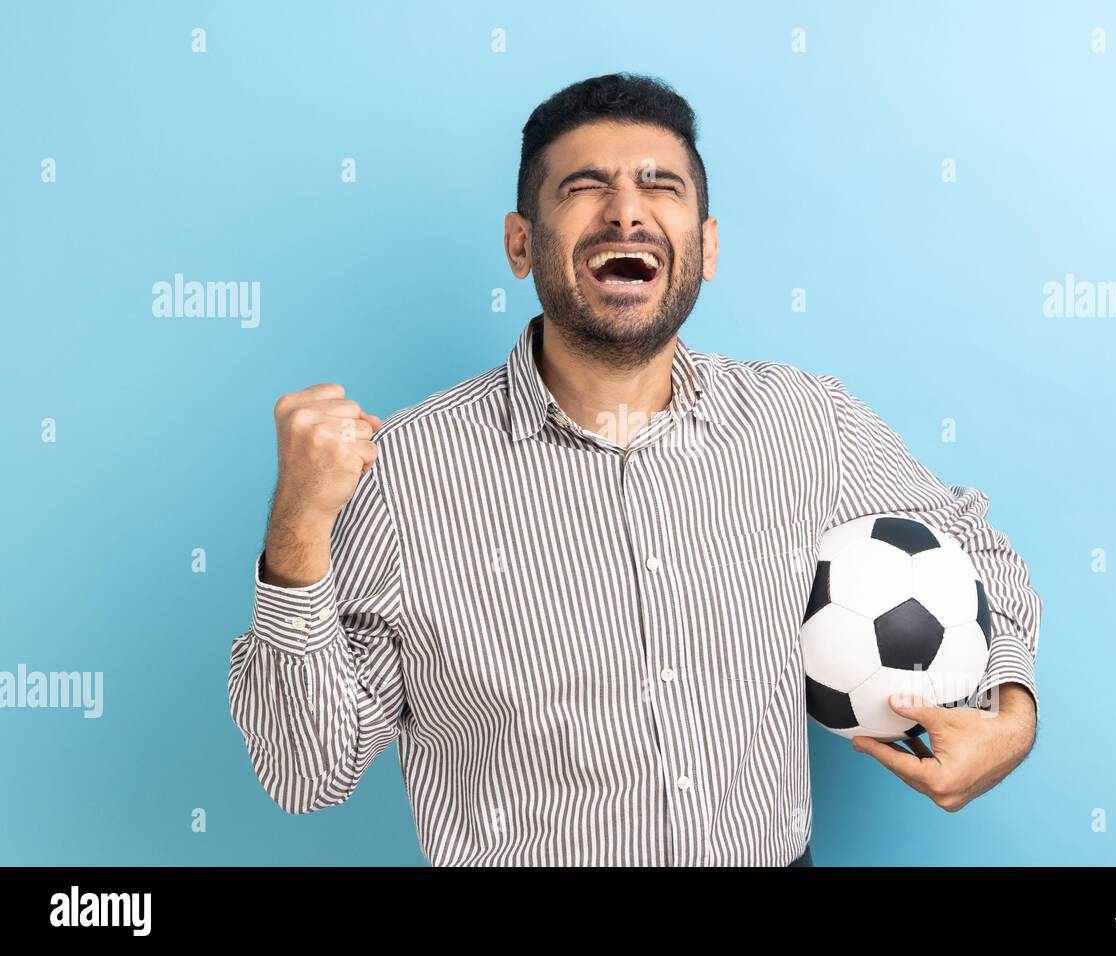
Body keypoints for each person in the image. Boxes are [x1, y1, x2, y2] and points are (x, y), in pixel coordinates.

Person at [228, 73, 1043, 867]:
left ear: (706, 246)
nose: (627, 210)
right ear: (521, 244)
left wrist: (1011, 715)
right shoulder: (402, 472)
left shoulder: (806, 423)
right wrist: (297, 529)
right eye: (585, 186)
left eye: (661, 187)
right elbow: (307, 771)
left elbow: (970, 545)